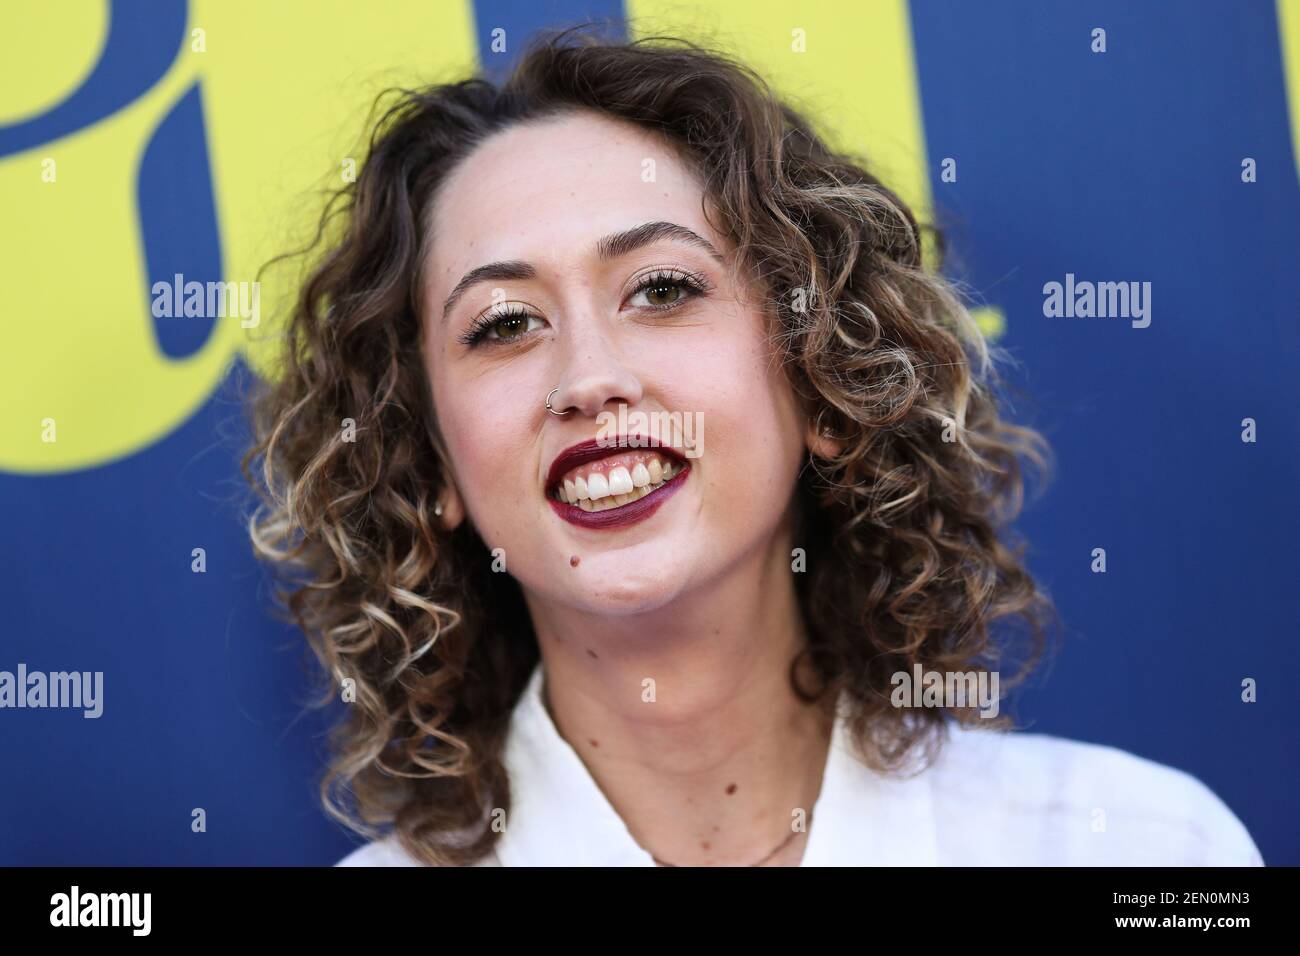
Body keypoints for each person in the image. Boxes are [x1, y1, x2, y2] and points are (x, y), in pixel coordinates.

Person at [243, 28, 1263, 867]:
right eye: (505, 322)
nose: (589, 376)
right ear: (431, 465)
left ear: (822, 382)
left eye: (662, 288)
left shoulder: (1144, 851)